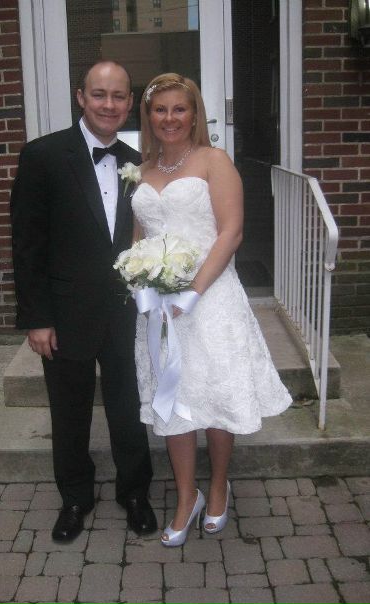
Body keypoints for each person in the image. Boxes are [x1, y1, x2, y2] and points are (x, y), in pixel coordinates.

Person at [133, 73, 292, 547]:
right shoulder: (141, 170)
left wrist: (193, 291)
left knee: (217, 396)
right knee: (174, 399)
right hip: (160, 307)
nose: (169, 118)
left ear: (194, 114)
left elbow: (231, 232)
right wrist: (140, 282)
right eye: (160, 109)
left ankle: (219, 484)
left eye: (179, 109)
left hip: (211, 299)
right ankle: (188, 496)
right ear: (149, 116)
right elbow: (139, 239)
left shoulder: (214, 161)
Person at [10, 61, 156, 542]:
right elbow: (28, 244)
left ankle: (134, 492)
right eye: (99, 94)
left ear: (129, 102)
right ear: (80, 97)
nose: (108, 105)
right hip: (65, 313)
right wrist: (37, 318)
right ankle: (75, 496)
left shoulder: (139, 162)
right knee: (69, 411)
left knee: (128, 407)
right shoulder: (43, 156)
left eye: (118, 96)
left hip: (125, 312)